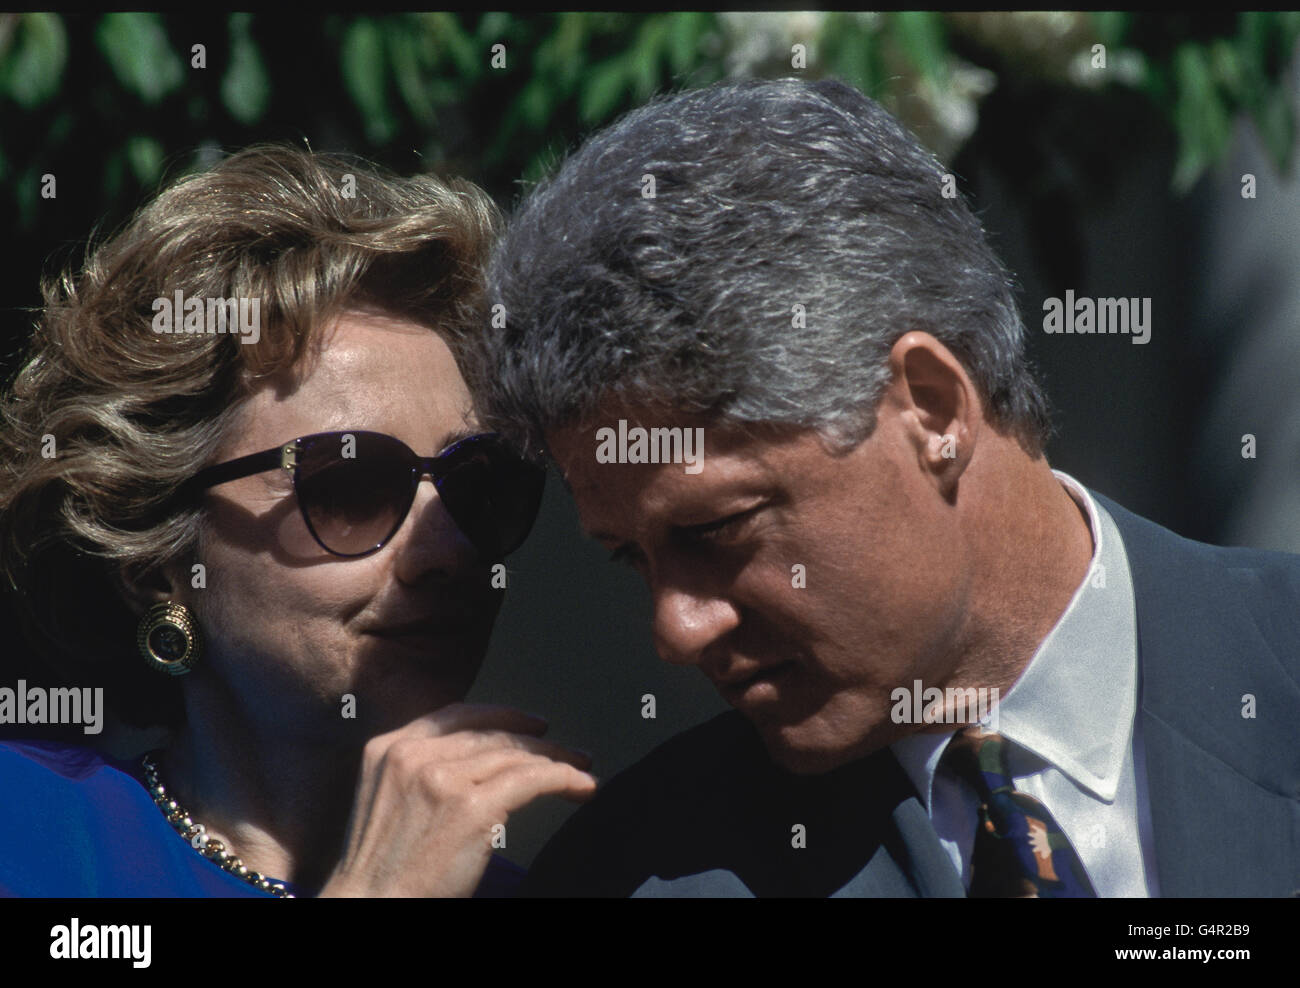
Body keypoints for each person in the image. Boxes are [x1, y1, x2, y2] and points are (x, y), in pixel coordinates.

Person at [471, 78, 1300, 897]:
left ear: (934, 409)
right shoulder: (633, 875)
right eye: (631, 558)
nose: (676, 630)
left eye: (718, 529)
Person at [0, 145, 596, 897]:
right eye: (348, 487)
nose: (448, 548)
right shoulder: (27, 836)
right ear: (155, 563)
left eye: (479, 486)